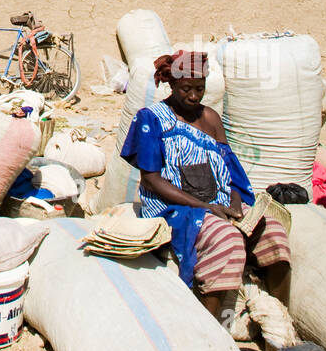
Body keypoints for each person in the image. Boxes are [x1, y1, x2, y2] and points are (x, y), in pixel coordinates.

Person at [121, 50, 291, 318]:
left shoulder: (210, 118)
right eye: (186, 89)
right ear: (172, 84)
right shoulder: (151, 119)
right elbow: (151, 180)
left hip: (217, 202)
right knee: (228, 239)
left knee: (274, 233)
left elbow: (230, 170)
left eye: (199, 89)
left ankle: (281, 317)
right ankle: (211, 326)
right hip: (172, 206)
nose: (193, 96)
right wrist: (205, 207)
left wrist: (235, 202)